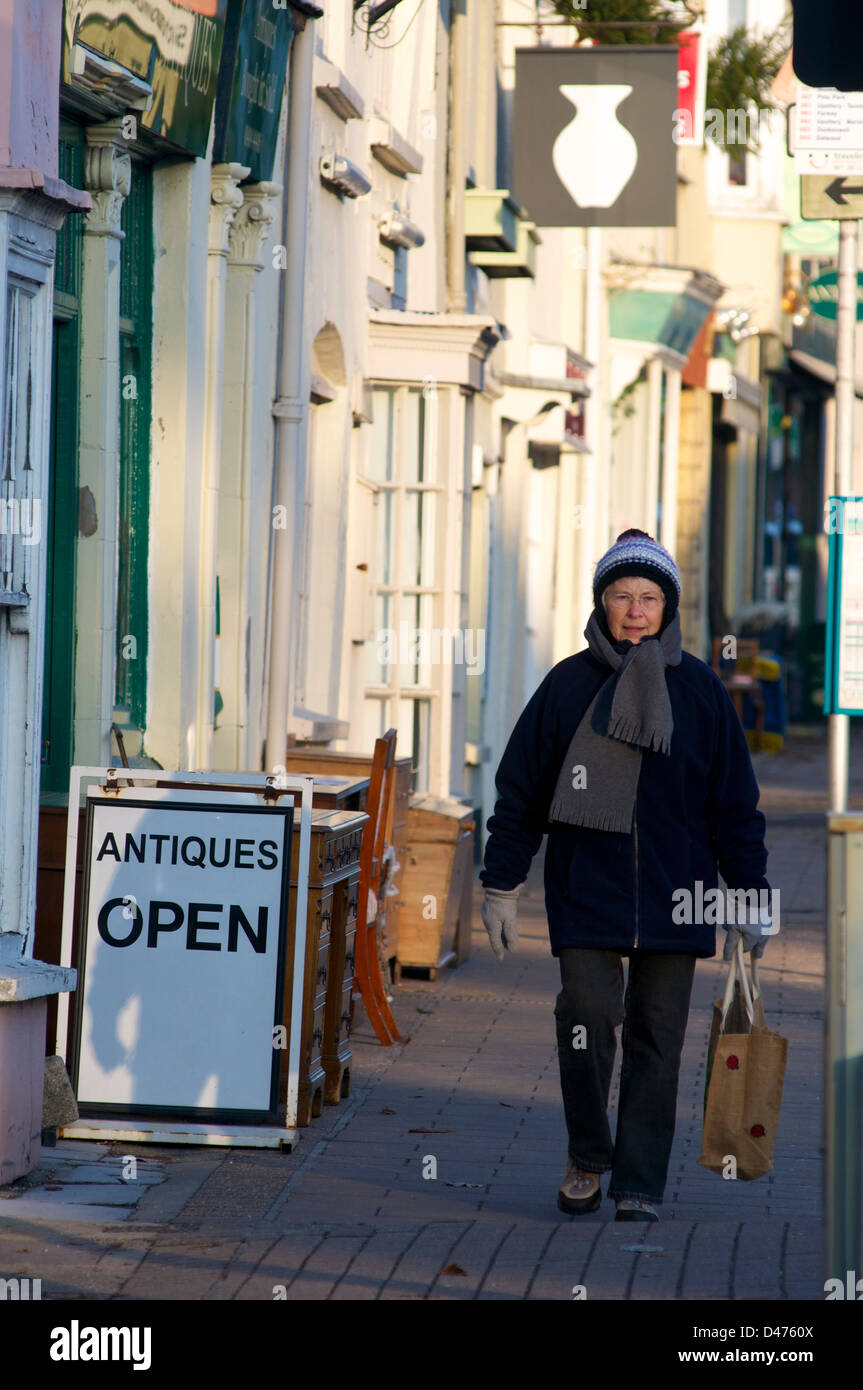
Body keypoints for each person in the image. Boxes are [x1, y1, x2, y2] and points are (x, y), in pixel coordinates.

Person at [479, 529, 774, 1223]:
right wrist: (499, 882)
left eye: (648, 597)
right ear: (600, 603)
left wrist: (751, 892)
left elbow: (733, 802)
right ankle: (588, 1153)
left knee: (656, 1037)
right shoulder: (567, 685)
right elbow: (520, 789)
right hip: (587, 886)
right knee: (586, 1015)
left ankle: (637, 1182)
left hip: (677, 893)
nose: (635, 611)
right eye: (621, 596)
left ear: (667, 607)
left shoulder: (699, 689)